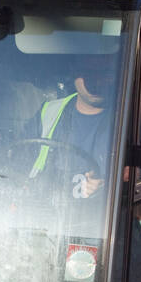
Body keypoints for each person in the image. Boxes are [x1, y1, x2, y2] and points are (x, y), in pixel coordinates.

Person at [27, 65, 114, 199]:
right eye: (88, 72)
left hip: (98, 213)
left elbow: (133, 175)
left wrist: (106, 186)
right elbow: (19, 155)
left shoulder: (125, 117)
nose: (95, 80)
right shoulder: (50, 110)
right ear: (74, 73)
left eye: (102, 72)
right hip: (40, 208)